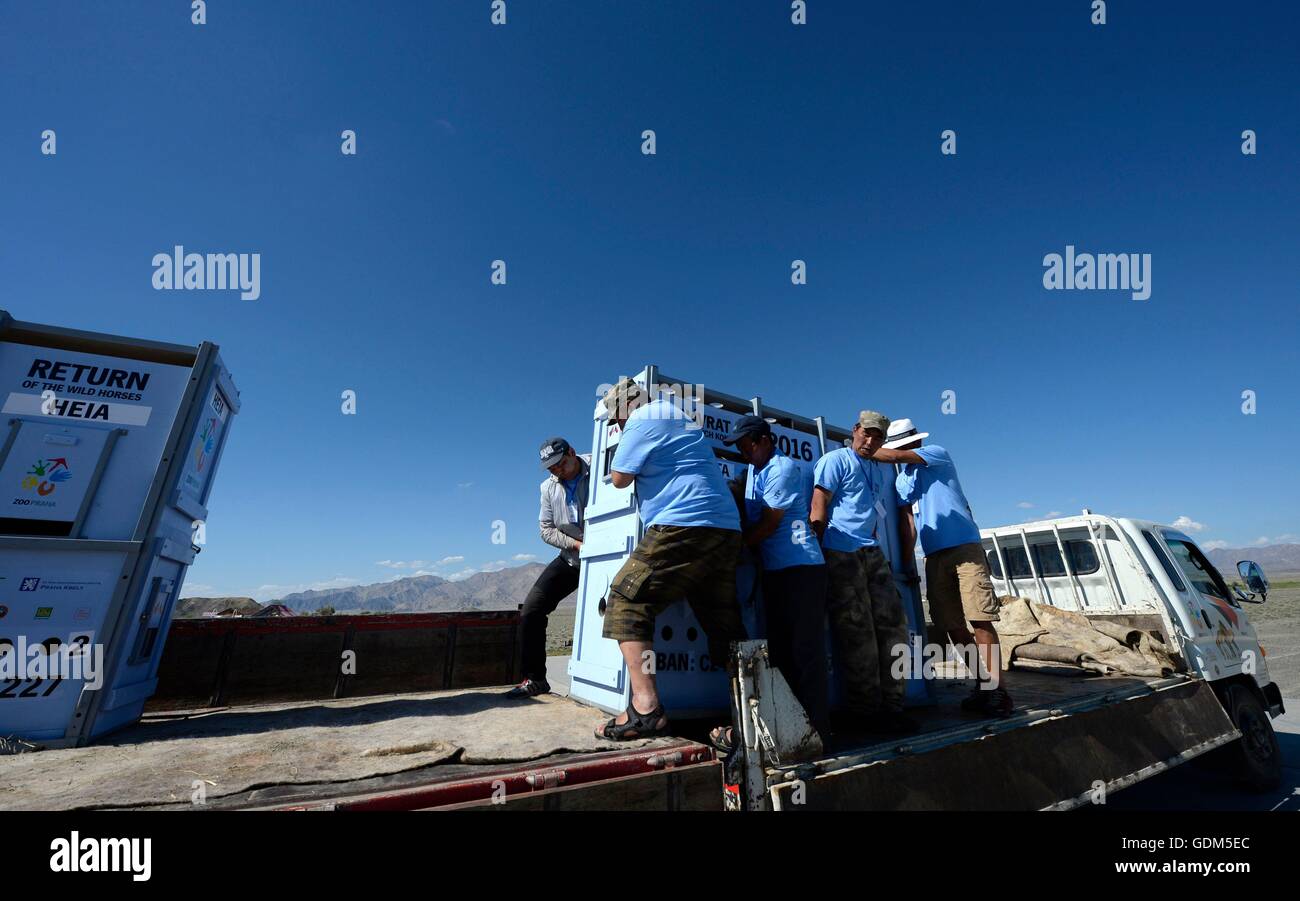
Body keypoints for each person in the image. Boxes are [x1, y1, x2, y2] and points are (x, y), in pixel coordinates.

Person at [595, 377, 744, 741]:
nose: (616, 426)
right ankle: (752, 715)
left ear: (624, 408)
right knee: (723, 624)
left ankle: (646, 710)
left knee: (625, 601)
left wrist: (624, 437)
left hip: (683, 525)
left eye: (615, 419)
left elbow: (618, 478)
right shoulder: (673, 415)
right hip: (724, 530)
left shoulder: (643, 418)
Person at [872, 418, 1013, 717]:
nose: (905, 449)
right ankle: (982, 684)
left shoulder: (937, 454)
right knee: (951, 625)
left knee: (980, 619)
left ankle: (998, 692)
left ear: (915, 442)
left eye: (905, 444)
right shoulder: (902, 480)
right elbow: (907, 520)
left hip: (965, 547)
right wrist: (908, 559)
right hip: (933, 555)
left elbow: (894, 457)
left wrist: (864, 450)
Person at [809, 410, 917, 734]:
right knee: (858, 632)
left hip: (873, 551)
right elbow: (818, 505)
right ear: (855, 430)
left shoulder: (878, 468)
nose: (870, 441)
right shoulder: (835, 460)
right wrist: (819, 553)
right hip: (841, 551)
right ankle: (865, 713)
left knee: (894, 626)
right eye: (866, 433)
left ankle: (894, 708)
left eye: (878, 437)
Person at [726, 415, 830, 738]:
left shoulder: (783, 470)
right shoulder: (754, 472)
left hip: (802, 570)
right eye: (740, 447)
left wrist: (736, 546)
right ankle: (791, 730)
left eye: (748, 445)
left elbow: (769, 524)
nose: (744, 451)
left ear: (765, 441)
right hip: (776, 573)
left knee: (805, 652)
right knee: (782, 652)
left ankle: (819, 732)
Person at [504, 438, 589, 699]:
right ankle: (536, 680)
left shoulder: (600, 467)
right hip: (572, 558)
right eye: (551, 468)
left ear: (572, 453)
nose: (557, 472)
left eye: (561, 464)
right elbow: (546, 530)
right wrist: (576, 545)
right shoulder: (547, 488)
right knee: (531, 610)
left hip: (610, 558)